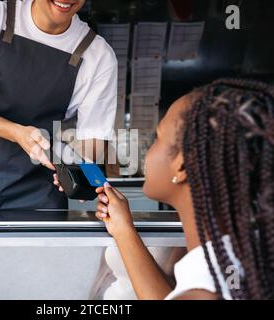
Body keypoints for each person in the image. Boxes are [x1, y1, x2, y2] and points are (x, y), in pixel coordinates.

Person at [92, 78, 274, 299]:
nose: (149, 151)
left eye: (157, 138)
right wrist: (123, 230)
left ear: (182, 165)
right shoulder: (234, 263)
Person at [0, 0, 117, 209]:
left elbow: (93, 138)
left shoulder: (99, 55)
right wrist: (17, 133)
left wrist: (86, 175)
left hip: (41, 193)